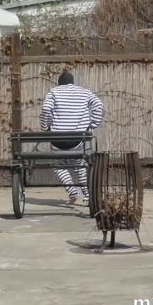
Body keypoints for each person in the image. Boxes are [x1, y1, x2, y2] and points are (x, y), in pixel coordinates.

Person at [39, 70, 104, 205]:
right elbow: (98, 105)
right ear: (73, 82)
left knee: (58, 165)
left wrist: (45, 127)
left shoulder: (53, 92)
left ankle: (73, 192)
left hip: (58, 139)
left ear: (59, 83)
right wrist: (93, 124)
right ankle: (87, 196)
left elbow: (46, 109)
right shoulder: (85, 92)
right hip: (77, 139)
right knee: (79, 165)